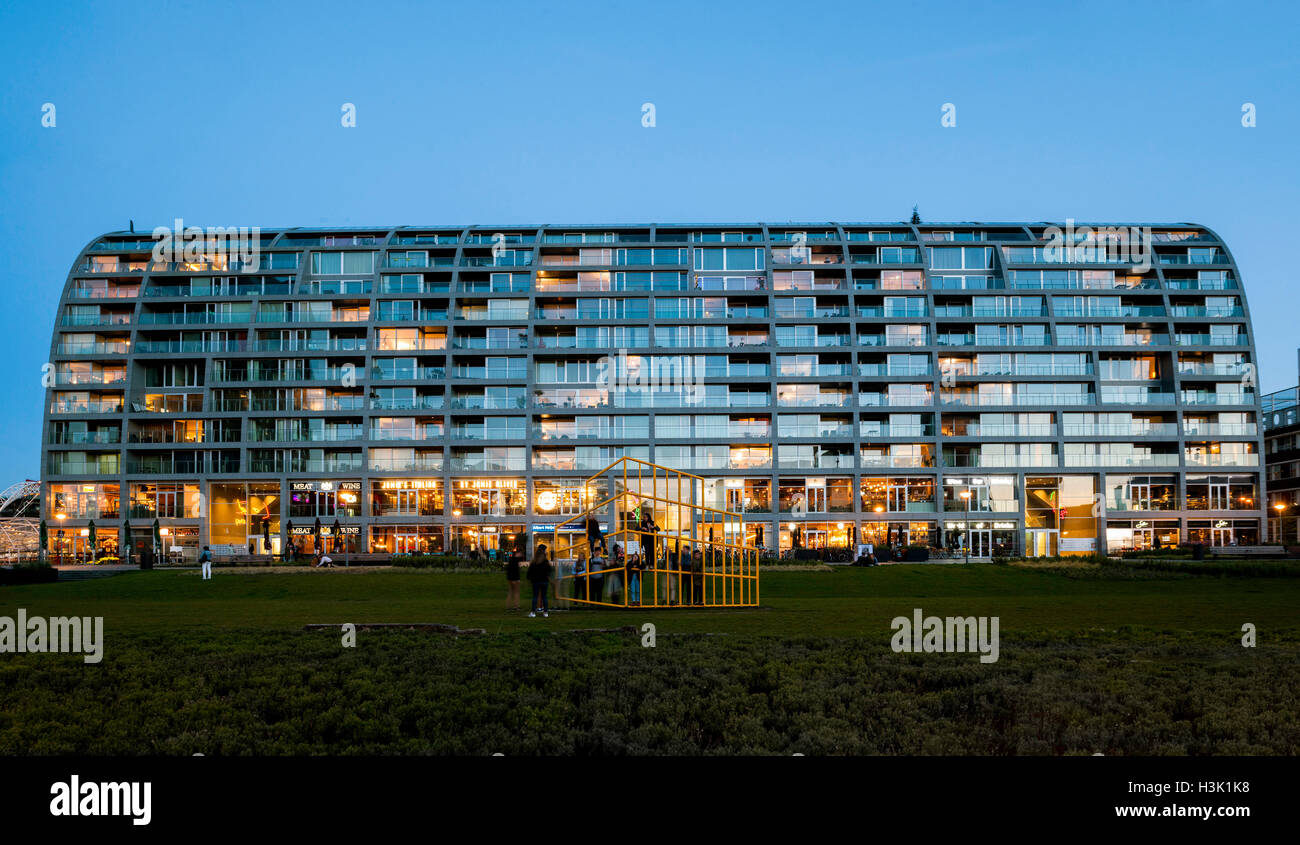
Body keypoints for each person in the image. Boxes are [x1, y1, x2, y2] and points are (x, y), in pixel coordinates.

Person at [527, 544, 552, 618]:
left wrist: (529, 578)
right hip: (544, 581)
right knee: (544, 597)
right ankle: (545, 612)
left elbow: (529, 571)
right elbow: (549, 571)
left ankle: (533, 612)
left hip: (536, 581)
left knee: (535, 596)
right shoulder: (546, 561)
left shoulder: (534, 561)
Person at [504, 547, 522, 611]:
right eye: (520, 553)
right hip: (515, 579)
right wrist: (515, 579)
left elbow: (509, 570)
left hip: (510, 578)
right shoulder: (515, 560)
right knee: (516, 593)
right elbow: (514, 570)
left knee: (510, 593)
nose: (521, 555)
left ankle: (508, 606)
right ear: (517, 553)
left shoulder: (511, 559)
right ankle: (516, 606)